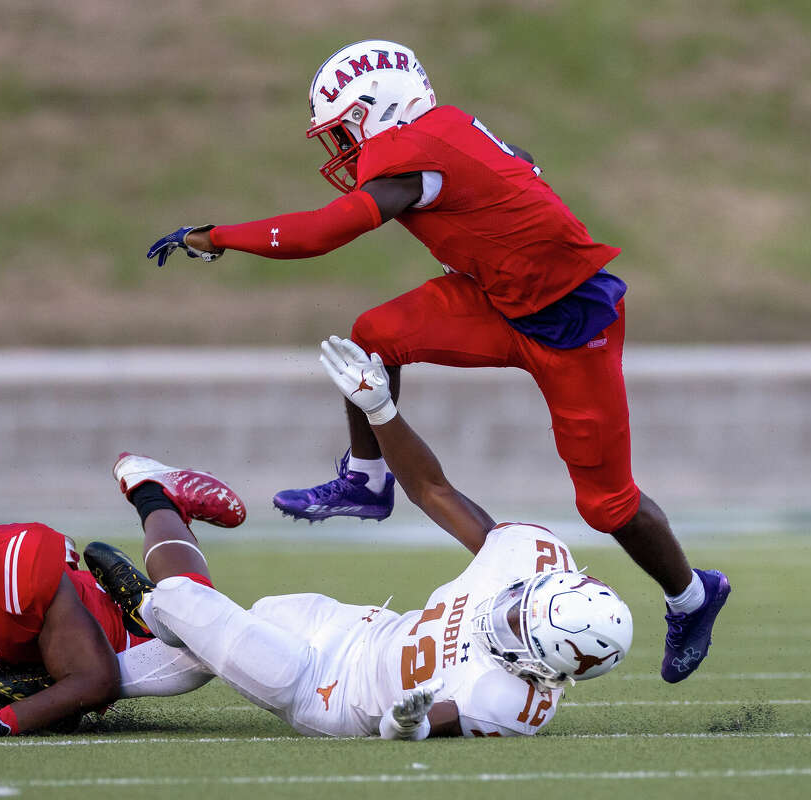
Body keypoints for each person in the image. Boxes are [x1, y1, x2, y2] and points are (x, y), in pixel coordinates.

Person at [146, 40, 729, 683]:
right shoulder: (445, 131)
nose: (342, 145)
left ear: (379, 109)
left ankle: (692, 596)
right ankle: (366, 479)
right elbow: (519, 162)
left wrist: (217, 235)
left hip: (570, 325)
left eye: (345, 127)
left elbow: (319, 233)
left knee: (608, 505)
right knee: (372, 338)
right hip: (499, 300)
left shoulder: (411, 156)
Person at [89, 336, 634, 740]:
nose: (507, 613)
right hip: (349, 625)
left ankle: (150, 514)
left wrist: (411, 723)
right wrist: (381, 410)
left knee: (185, 602)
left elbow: (411, 726)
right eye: (521, 606)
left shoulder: (508, 702)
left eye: (518, 627)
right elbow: (434, 491)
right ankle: (79, 677)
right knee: (188, 646)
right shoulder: (528, 557)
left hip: (325, 691)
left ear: (542, 669)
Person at [0, 468, 244, 738]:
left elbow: (96, 681)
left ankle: (152, 497)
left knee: (196, 620)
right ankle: (150, 607)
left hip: (113, 640)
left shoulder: (20, 567)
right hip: (67, 673)